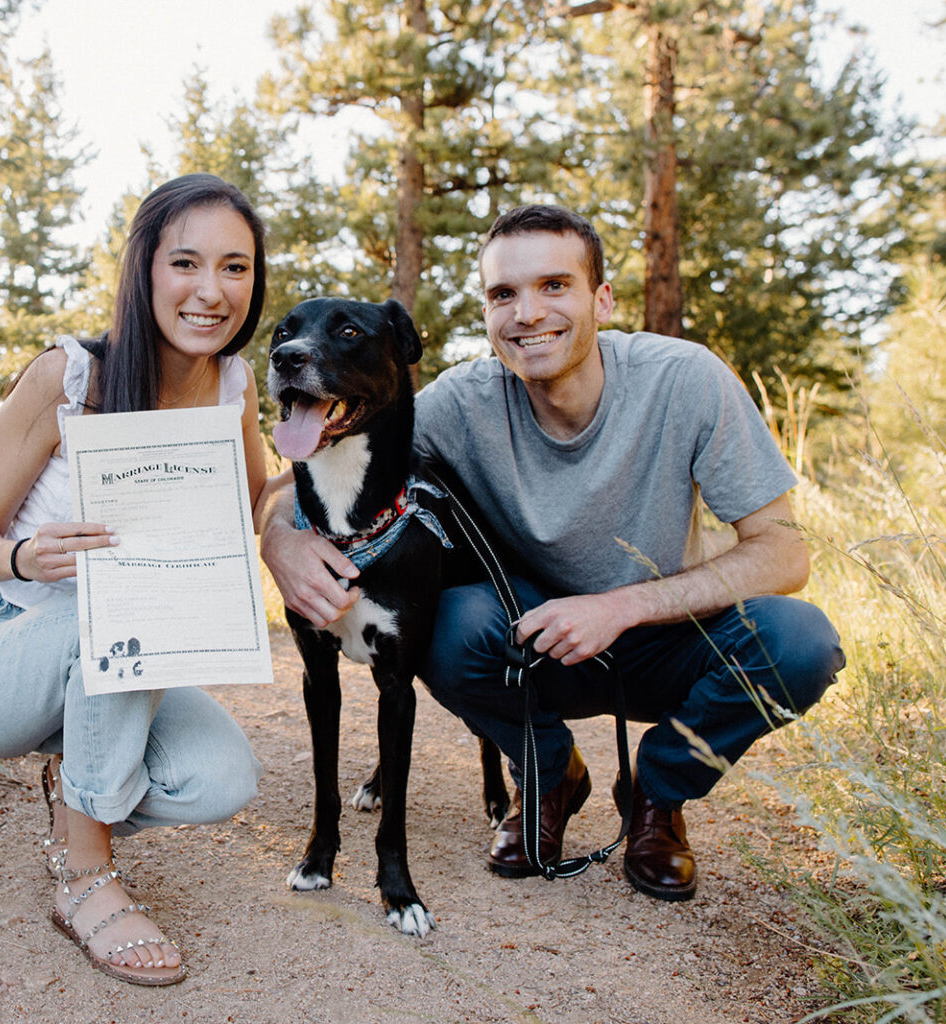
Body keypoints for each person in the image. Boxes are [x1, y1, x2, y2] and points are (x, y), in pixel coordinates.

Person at [261, 203, 844, 902]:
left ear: (601, 298)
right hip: (534, 643)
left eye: (554, 286)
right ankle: (548, 773)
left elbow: (784, 553)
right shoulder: (461, 403)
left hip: (665, 640)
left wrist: (622, 605)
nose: (527, 313)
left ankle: (657, 796)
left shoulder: (684, 379)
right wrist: (279, 541)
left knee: (801, 641)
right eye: (503, 294)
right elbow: (286, 481)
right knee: (447, 624)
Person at [0, 174, 271, 985]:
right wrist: (22, 556)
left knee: (222, 777)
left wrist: (305, 497)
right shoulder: (70, 375)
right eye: (186, 263)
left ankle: (74, 786)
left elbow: (256, 505)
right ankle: (86, 878)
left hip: (118, 653)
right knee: (111, 604)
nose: (211, 292)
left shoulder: (234, 386)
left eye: (236, 268)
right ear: (144, 267)